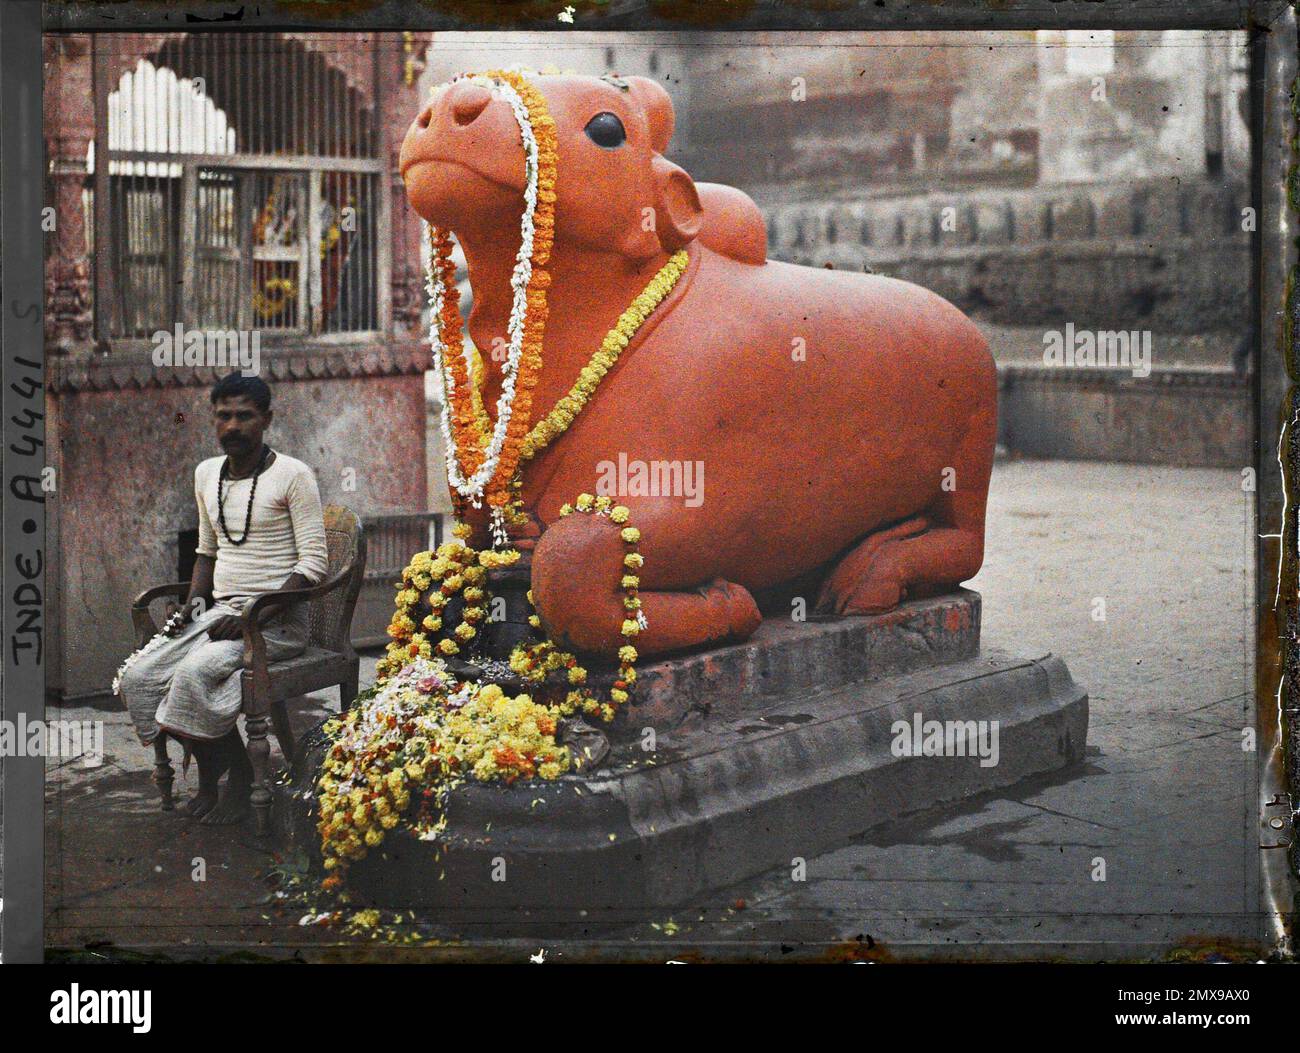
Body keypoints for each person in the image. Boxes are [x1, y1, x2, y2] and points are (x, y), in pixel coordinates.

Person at [119, 373, 328, 824]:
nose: (233, 425)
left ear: (266, 419)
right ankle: (229, 765)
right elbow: (206, 554)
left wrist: (255, 613)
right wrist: (192, 606)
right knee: (140, 675)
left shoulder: (294, 475)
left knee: (194, 672)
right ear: (213, 419)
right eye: (224, 415)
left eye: (245, 416)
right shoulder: (206, 473)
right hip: (219, 616)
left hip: (277, 624)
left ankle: (227, 785)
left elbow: (313, 566)